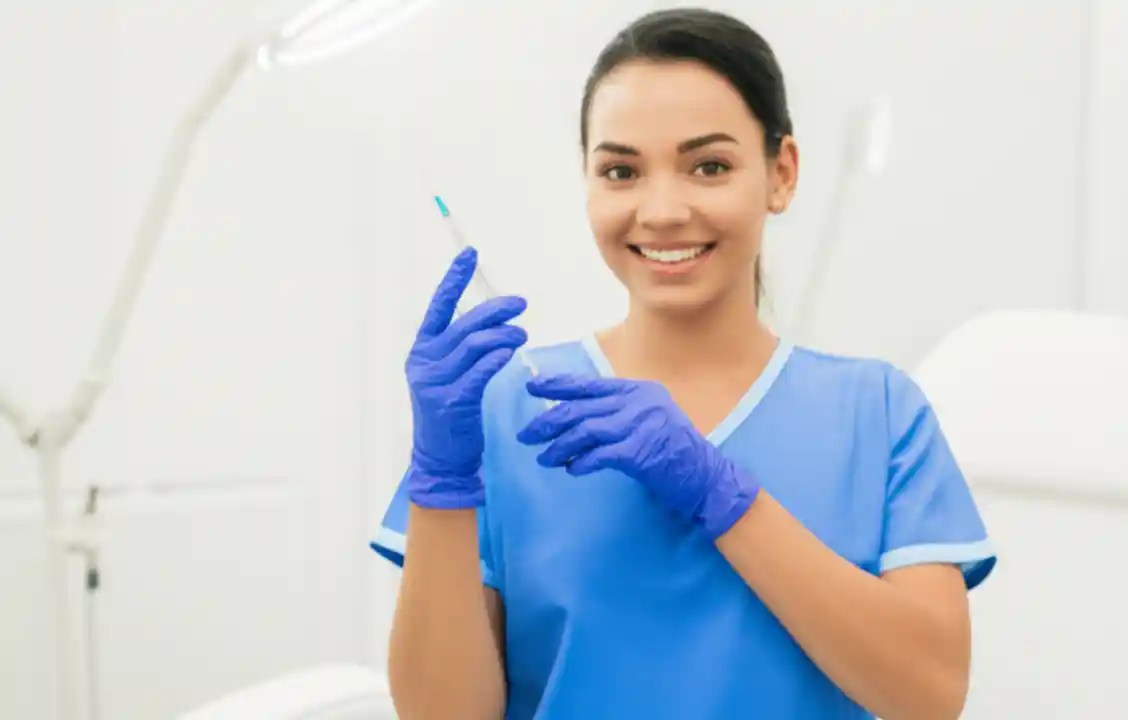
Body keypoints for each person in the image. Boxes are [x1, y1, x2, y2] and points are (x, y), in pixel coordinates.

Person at [371, 8, 996, 719]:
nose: (662, 209)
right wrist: (442, 481)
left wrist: (722, 495)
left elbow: (930, 695)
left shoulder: (879, 413)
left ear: (781, 173)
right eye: (621, 170)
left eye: (709, 166)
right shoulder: (512, 411)